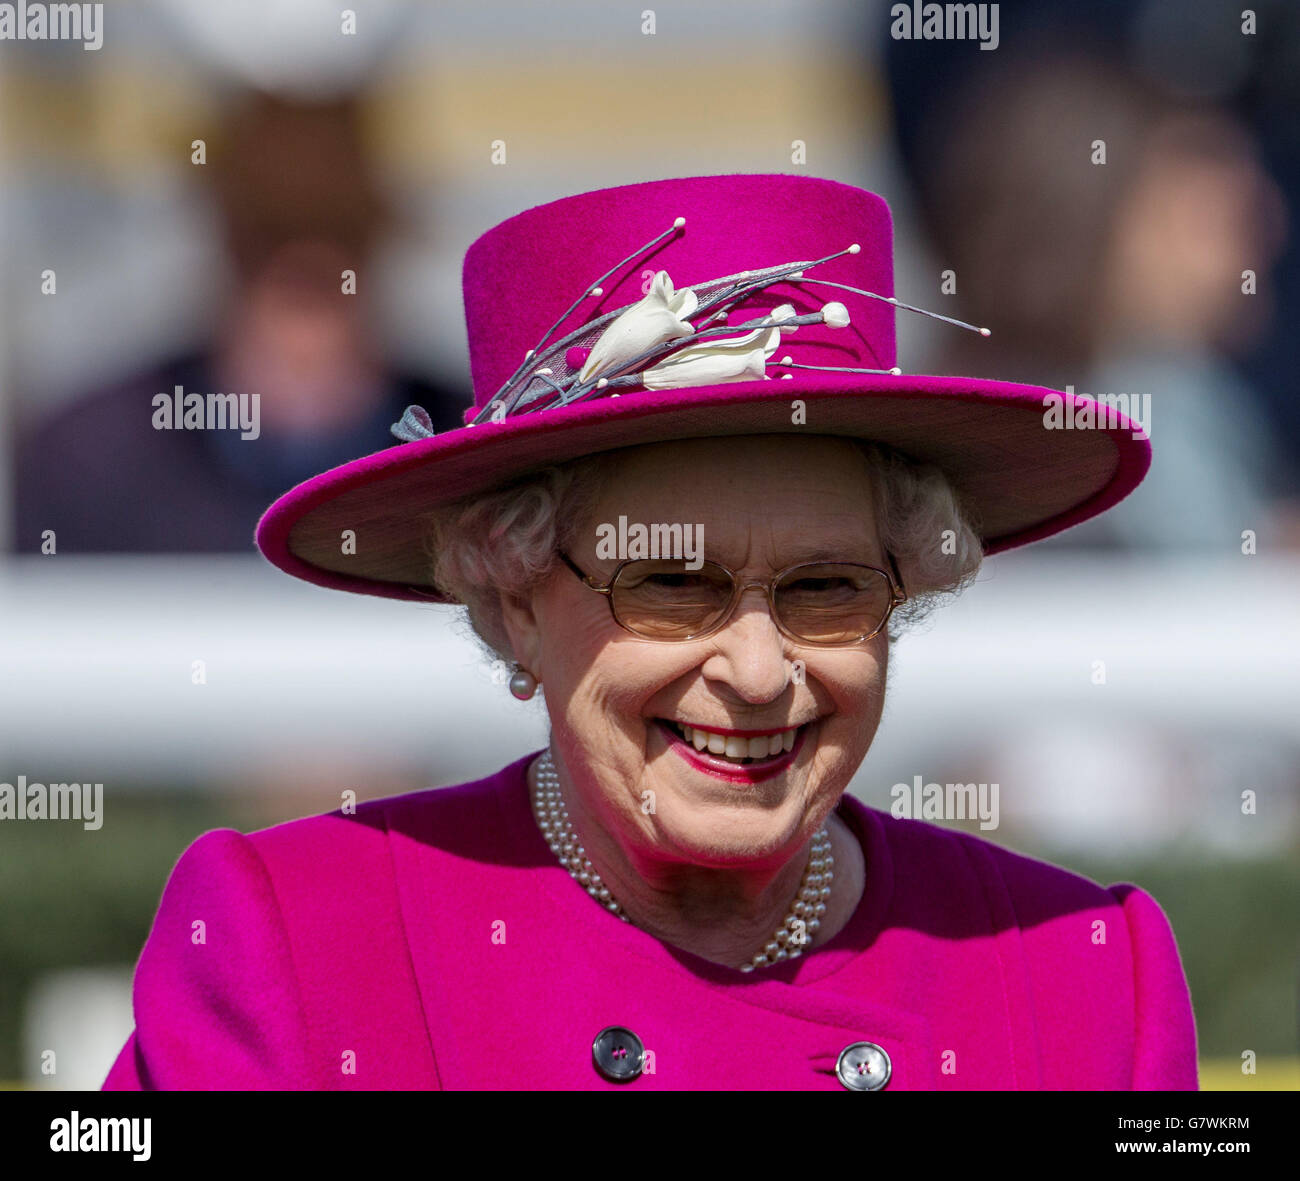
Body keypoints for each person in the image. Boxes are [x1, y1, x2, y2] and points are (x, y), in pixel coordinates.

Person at [102, 173, 1196, 1090]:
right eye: (672, 582)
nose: (761, 671)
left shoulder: (1087, 974)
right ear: (516, 599)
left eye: (828, 589)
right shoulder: (301, 938)